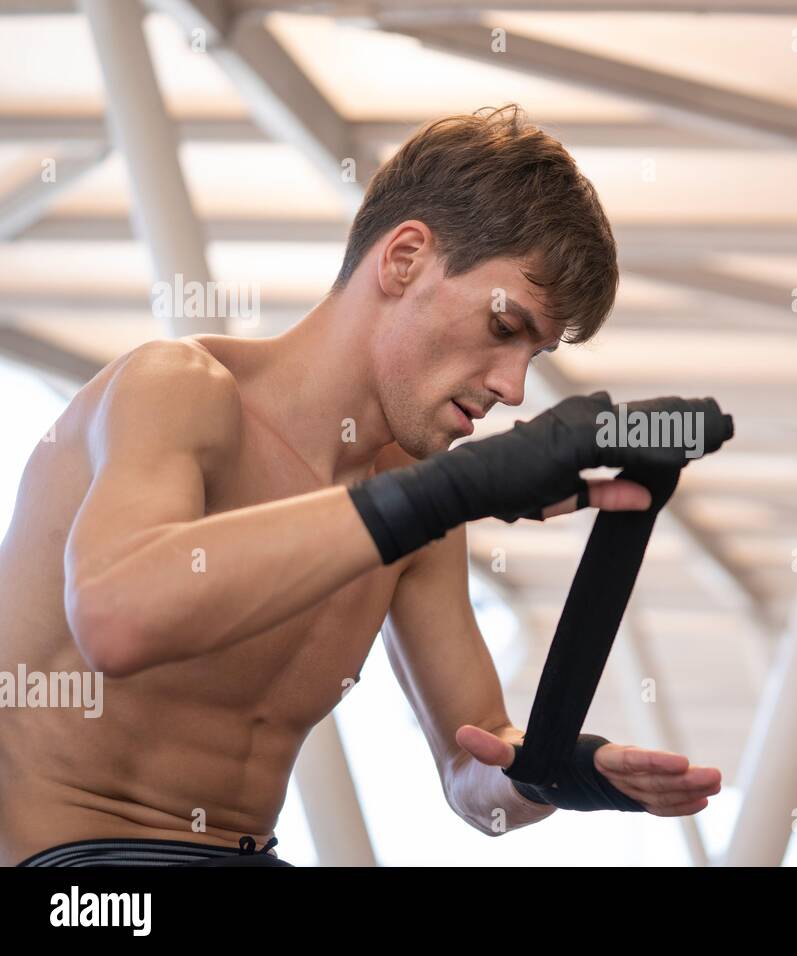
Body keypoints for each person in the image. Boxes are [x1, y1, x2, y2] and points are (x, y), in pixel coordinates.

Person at [0, 104, 724, 867]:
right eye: (505, 328)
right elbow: (116, 617)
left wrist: (560, 770)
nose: (513, 388)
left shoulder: (416, 496)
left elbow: (472, 772)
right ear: (404, 258)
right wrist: (458, 490)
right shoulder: (178, 390)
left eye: (535, 357)